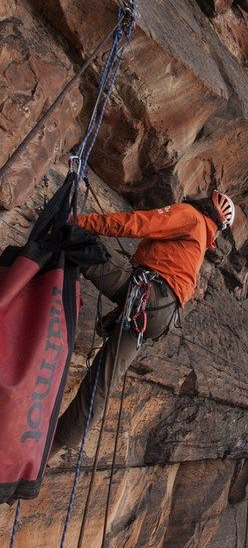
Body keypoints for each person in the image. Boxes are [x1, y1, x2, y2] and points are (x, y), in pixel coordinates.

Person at [51, 190, 235, 456]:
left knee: (79, 244)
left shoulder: (190, 216)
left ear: (207, 205)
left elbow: (137, 223)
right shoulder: (199, 244)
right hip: (156, 319)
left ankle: (30, 271)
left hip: (146, 297)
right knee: (102, 383)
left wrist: (77, 221)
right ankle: (51, 451)